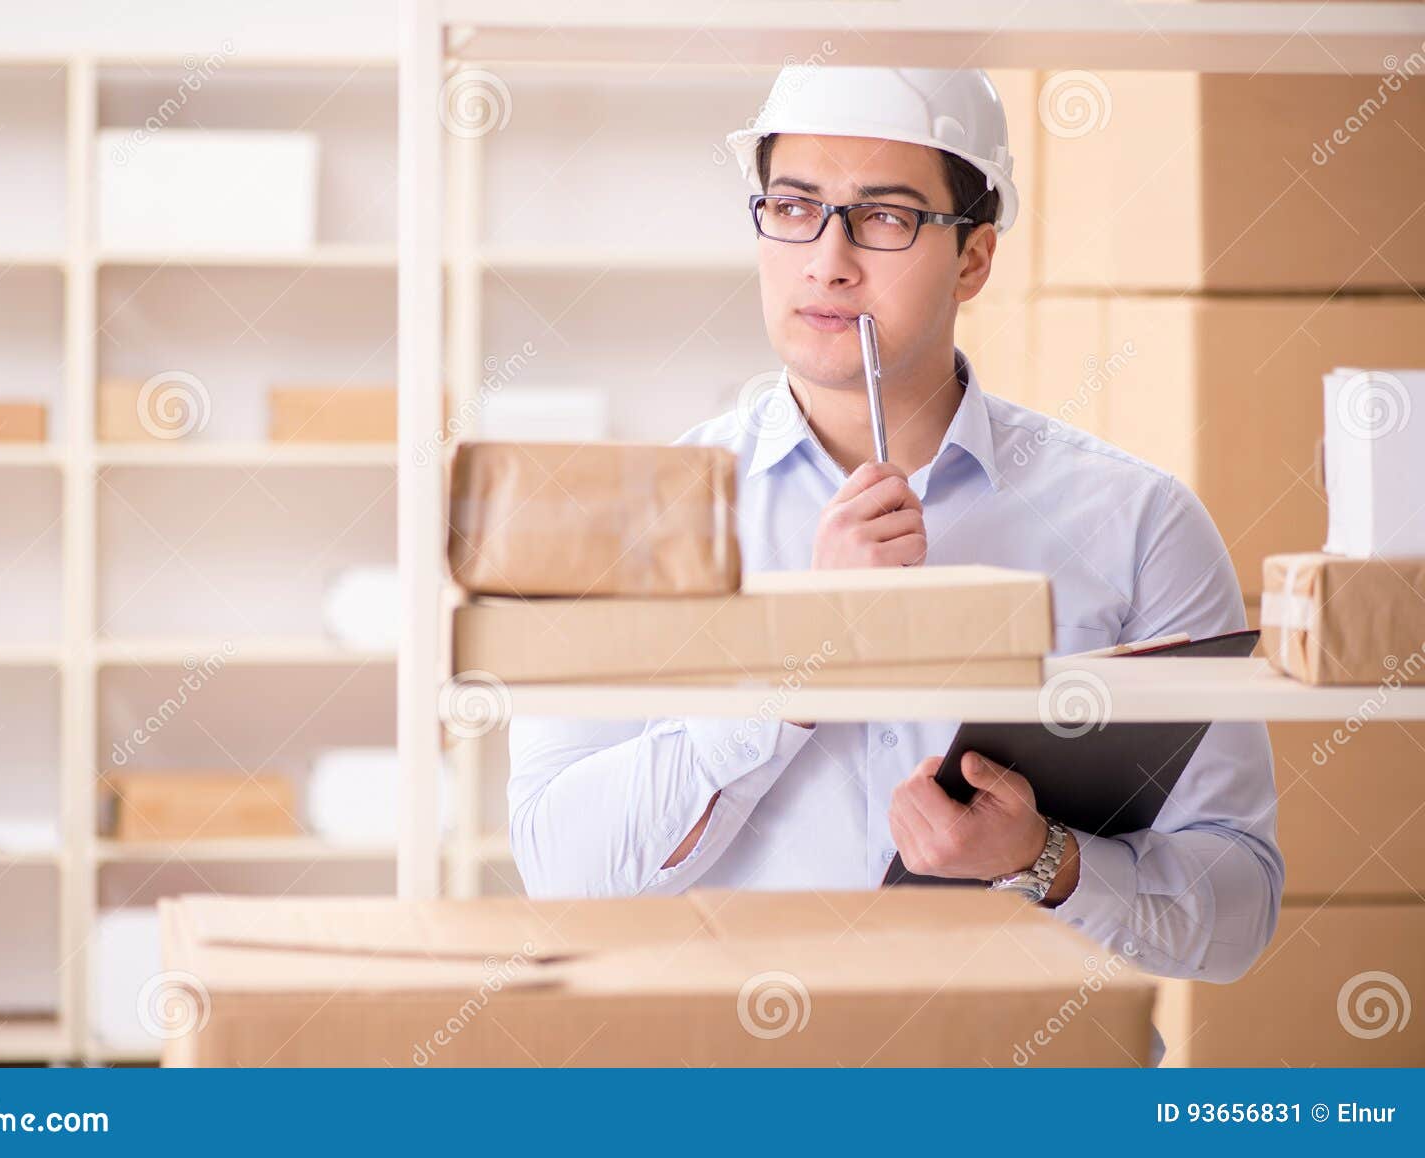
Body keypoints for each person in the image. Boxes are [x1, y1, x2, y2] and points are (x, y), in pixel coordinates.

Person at [508, 66, 1282, 990]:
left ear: (974, 258)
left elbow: (1239, 913)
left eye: (885, 217)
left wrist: (1043, 859)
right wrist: (799, 659)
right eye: (793, 207)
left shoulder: (1137, 522)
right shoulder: (629, 522)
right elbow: (563, 870)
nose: (828, 260)